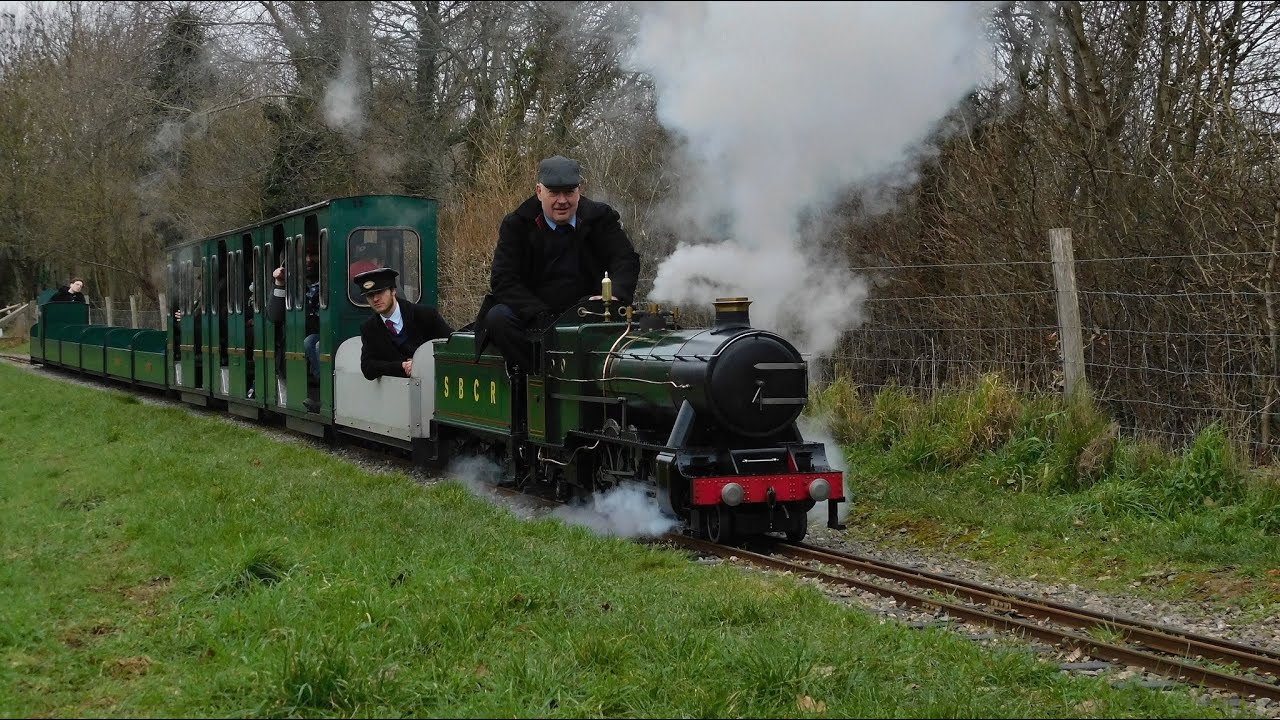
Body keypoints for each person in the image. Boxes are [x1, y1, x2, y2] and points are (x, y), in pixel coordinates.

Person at [478, 154, 641, 371]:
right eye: (554, 193)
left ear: (579, 191)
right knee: (498, 318)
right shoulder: (516, 225)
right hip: (534, 316)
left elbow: (625, 258)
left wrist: (614, 295)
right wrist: (540, 314)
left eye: (569, 192)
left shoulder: (601, 217)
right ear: (539, 192)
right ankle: (536, 378)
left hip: (588, 310)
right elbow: (503, 279)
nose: (562, 201)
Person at [354, 267, 452, 380]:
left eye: (380, 292)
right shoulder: (369, 328)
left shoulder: (426, 315)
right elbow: (368, 368)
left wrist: (420, 362)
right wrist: (401, 366)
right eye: (370, 295)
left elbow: (450, 346)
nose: (375, 299)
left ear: (393, 291)